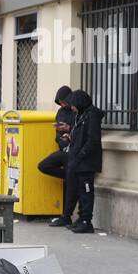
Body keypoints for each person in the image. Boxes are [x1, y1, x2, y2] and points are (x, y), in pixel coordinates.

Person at [64, 89, 103, 234]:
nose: (72, 108)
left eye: (73, 105)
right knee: (81, 191)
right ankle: (81, 219)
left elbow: (92, 140)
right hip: (79, 160)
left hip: (86, 161)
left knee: (86, 191)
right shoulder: (81, 116)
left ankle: (87, 221)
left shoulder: (91, 116)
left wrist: (80, 155)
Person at [40, 85, 77, 227]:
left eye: (63, 102)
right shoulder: (61, 112)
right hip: (63, 149)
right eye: (60, 102)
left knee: (69, 185)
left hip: (73, 151)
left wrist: (69, 130)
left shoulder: (76, 111)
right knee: (43, 165)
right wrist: (62, 139)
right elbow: (58, 134)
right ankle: (69, 176)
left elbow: (80, 130)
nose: (62, 105)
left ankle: (66, 215)